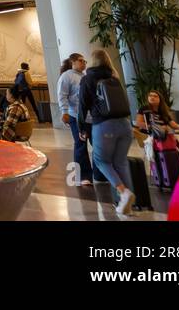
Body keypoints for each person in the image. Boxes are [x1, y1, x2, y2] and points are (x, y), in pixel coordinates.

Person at [78, 49, 136, 215]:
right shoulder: (114, 77)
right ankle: (126, 206)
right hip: (125, 124)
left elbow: (83, 105)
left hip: (104, 125)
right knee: (121, 162)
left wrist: (82, 128)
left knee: (101, 160)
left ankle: (123, 193)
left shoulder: (88, 78)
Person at [56, 53, 93, 185]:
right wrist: (64, 112)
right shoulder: (66, 76)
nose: (84, 63)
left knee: (96, 144)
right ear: (73, 61)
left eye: (85, 61)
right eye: (81, 61)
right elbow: (62, 95)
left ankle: (99, 174)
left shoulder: (85, 76)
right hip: (75, 116)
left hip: (89, 117)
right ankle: (84, 176)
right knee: (80, 145)